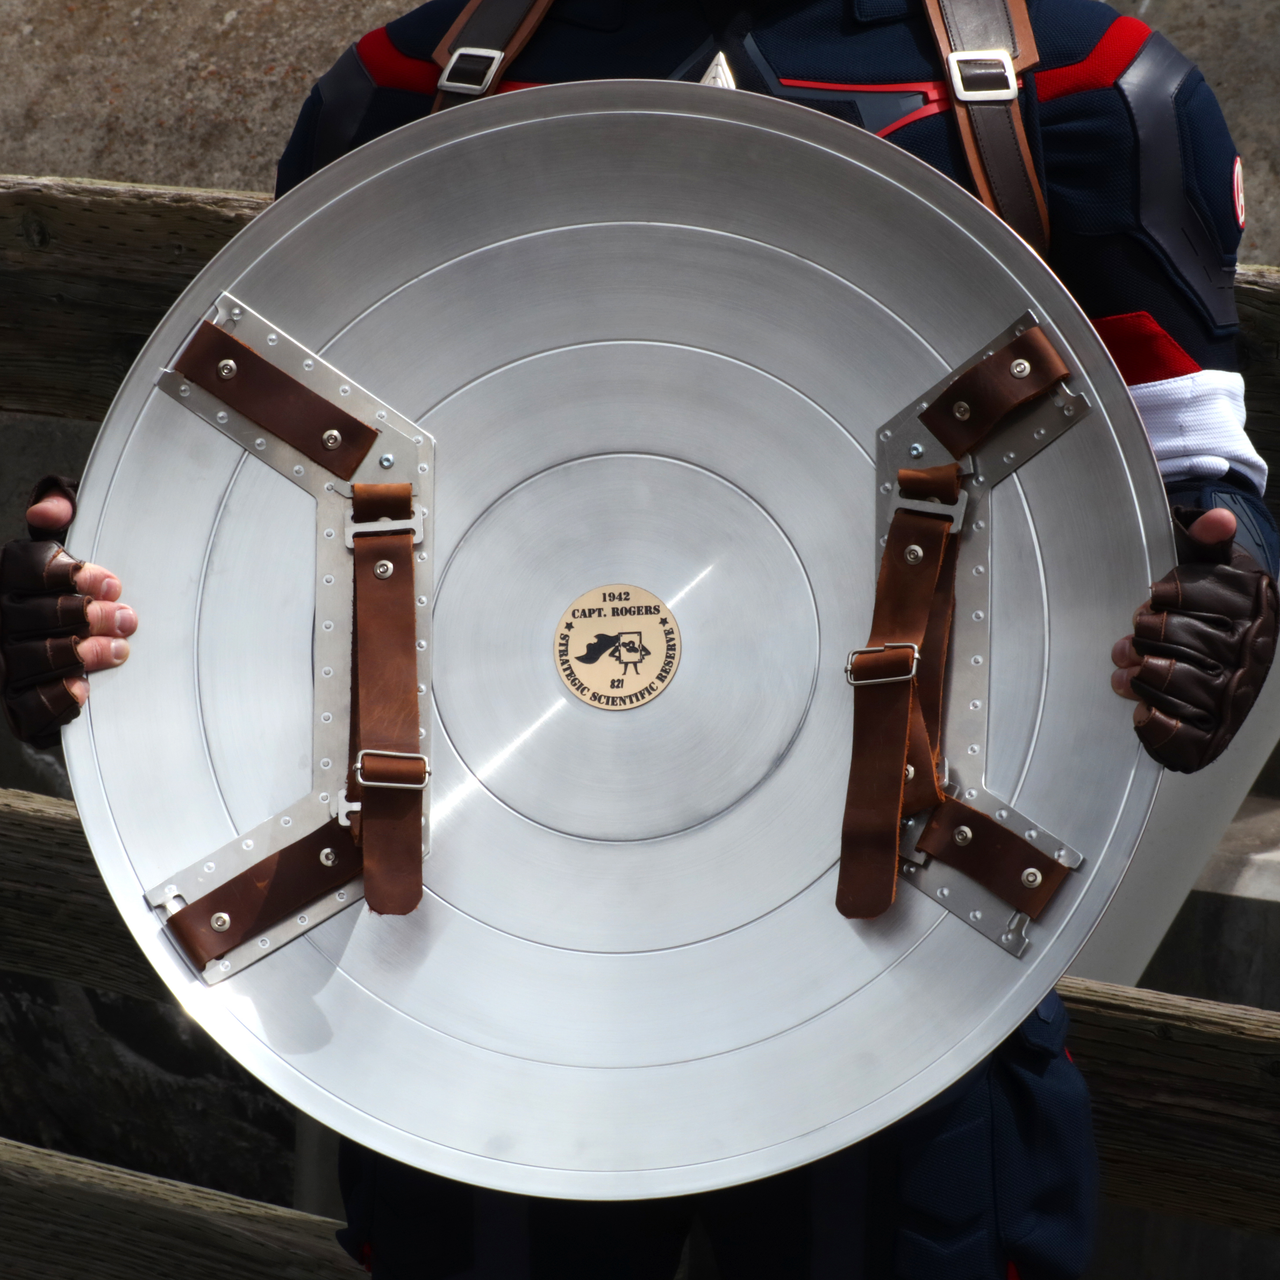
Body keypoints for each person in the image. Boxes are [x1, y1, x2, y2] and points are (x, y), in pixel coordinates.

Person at [3, 1, 1276, 1276]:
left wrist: (1224, 605)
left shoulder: (1081, 91)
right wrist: (95, 614)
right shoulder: (402, 86)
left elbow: (1182, 483)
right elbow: (271, 493)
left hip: (908, 974)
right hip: (484, 985)